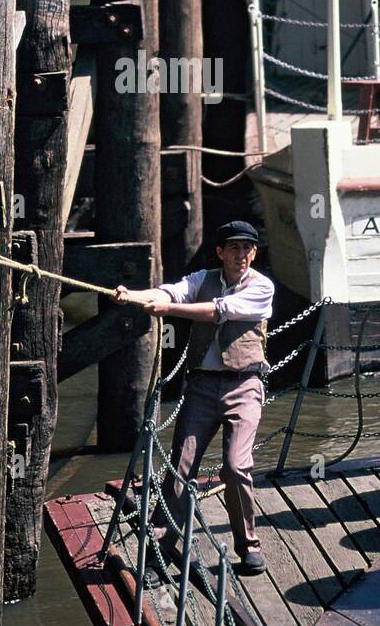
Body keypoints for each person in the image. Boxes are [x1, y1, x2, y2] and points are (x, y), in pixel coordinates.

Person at [113, 220, 274, 577]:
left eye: (247, 248)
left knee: (236, 465)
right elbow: (170, 293)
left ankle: (248, 545)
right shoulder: (202, 278)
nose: (241, 255)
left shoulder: (262, 287)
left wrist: (169, 311)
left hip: (244, 386)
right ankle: (160, 548)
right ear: (220, 252)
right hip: (201, 387)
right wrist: (136, 296)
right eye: (233, 248)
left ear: (254, 253)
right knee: (180, 466)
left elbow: (219, 310)